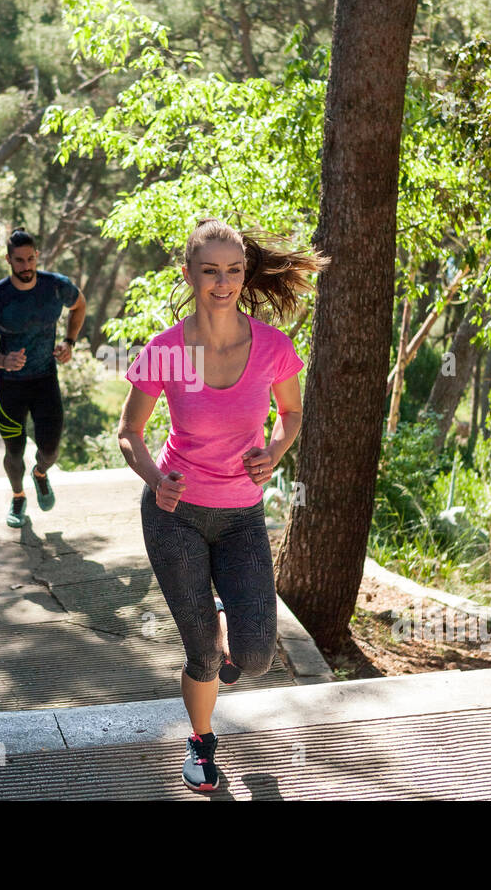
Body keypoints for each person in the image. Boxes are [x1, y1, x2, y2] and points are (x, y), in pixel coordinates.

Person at [117, 216, 327, 792]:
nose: (223, 282)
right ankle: (202, 745)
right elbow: (129, 432)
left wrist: (276, 451)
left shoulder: (271, 349)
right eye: (209, 271)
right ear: (188, 274)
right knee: (204, 650)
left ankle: (218, 618)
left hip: (240, 515)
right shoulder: (169, 350)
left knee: (256, 656)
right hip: (174, 513)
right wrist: (156, 476)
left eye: (233, 271)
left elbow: (292, 416)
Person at [0, 227, 87, 528]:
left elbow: (79, 305)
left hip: (45, 379)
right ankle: (18, 496)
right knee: (14, 450)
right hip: (10, 387)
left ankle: (40, 473)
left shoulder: (56, 286)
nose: (26, 267)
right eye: (19, 260)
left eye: (30, 259)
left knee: (50, 449)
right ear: (8, 260)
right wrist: (3, 360)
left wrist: (69, 342)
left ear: (37, 257)